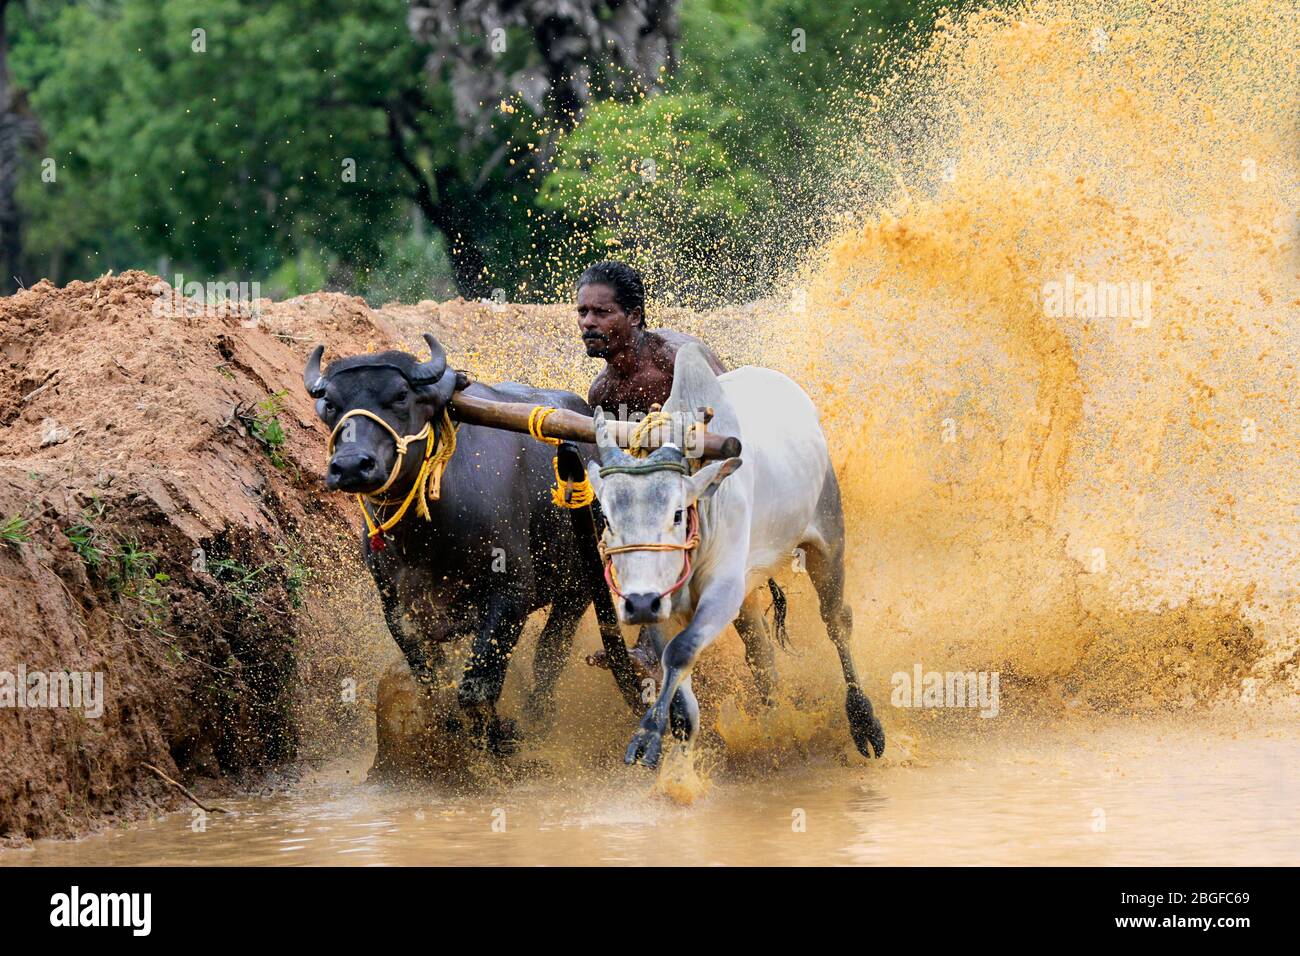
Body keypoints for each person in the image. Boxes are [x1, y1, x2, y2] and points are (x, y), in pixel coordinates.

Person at [576, 261, 726, 415]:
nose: (587, 322)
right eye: (582, 312)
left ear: (634, 317)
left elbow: (733, 409)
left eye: (601, 312)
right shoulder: (602, 394)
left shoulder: (676, 361)